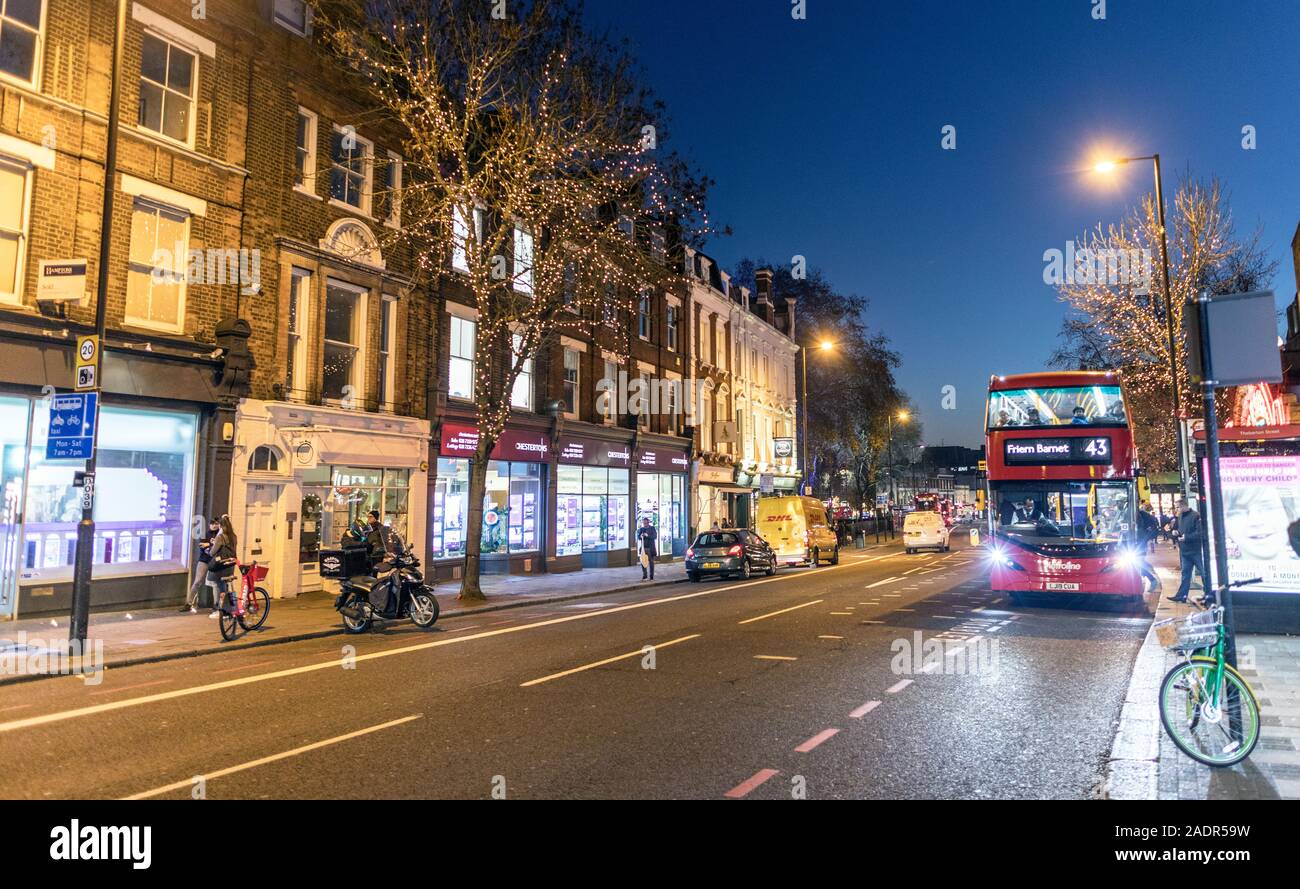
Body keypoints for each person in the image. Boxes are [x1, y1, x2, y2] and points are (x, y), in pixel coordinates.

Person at [1169, 497, 1208, 604]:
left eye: (1177, 507)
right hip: (1185, 550)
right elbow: (1181, 530)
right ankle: (1182, 596)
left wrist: (1186, 537)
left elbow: (1200, 533)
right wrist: (1176, 532)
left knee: (1204, 573)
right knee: (1185, 574)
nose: (1176, 509)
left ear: (1183, 506)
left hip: (1196, 551)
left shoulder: (1196, 516)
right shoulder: (1180, 516)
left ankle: (1208, 594)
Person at [182, 518, 221, 613]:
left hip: (214, 562)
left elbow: (218, 546)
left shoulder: (220, 535)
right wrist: (211, 544)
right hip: (204, 561)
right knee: (197, 581)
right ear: (209, 525)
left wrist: (208, 544)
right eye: (212, 523)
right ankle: (188, 603)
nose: (214, 525)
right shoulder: (205, 534)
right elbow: (202, 546)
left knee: (215, 583)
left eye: (216, 524)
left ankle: (217, 605)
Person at [206, 514, 239, 618]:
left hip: (221, 565)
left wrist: (210, 547)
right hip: (230, 565)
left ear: (221, 525)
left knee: (219, 587)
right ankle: (228, 610)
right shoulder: (234, 536)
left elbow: (212, 552)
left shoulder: (221, 537)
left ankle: (219, 610)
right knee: (225, 587)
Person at [1135, 504, 1160, 591]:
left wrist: (1148, 539)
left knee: (1136, 563)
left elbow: (1153, 529)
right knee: (1136, 563)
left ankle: (1152, 579)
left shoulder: (1143, 515)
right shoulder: (1129, 513)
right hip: (1135, 542)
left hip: (1140, 543)